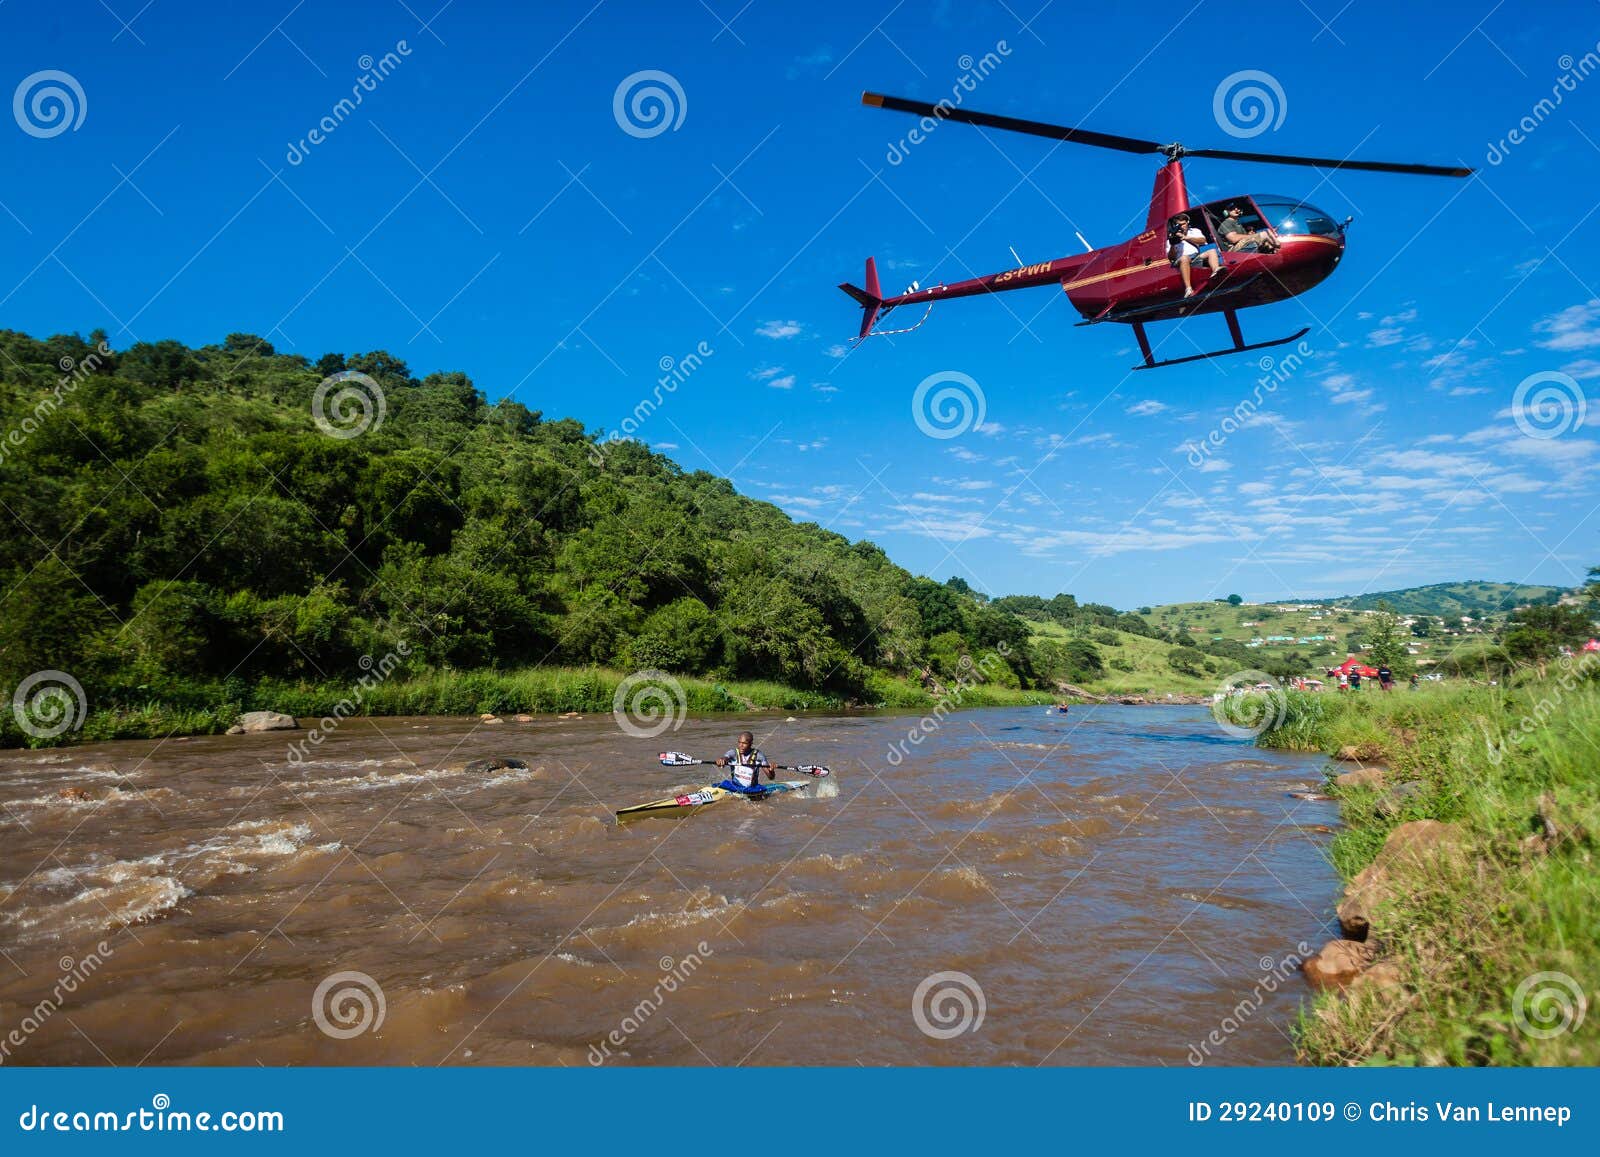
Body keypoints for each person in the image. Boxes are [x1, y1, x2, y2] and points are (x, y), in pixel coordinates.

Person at [1168, 212, 1221, 298]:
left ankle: (1216, 270)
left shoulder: (1195, 231)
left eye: (1183, 224)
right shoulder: (1171, 238)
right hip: (1181, 261)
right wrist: (1173, 244)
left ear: (1187, 223)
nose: (1181, 226)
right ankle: (1188, 288)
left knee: (1212, 251)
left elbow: (1203, 241)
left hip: (1195, 257)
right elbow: (1171, 257)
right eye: (1178, 225)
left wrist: (1186, 237)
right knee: (1185, 258)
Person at [1215, 204, 1280, 253]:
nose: (1236, 209)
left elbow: (1245, 237)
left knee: (1267, 237)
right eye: (1232, 208)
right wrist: (1252, 236)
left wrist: (1251, 234)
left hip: (1241, 245)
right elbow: (1233, 239)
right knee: (1264, 234)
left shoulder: (1238, 224)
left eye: (1237, 208)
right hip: (1232, 250)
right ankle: (1280, 247)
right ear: (1226, 212)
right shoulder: (1226, 223)